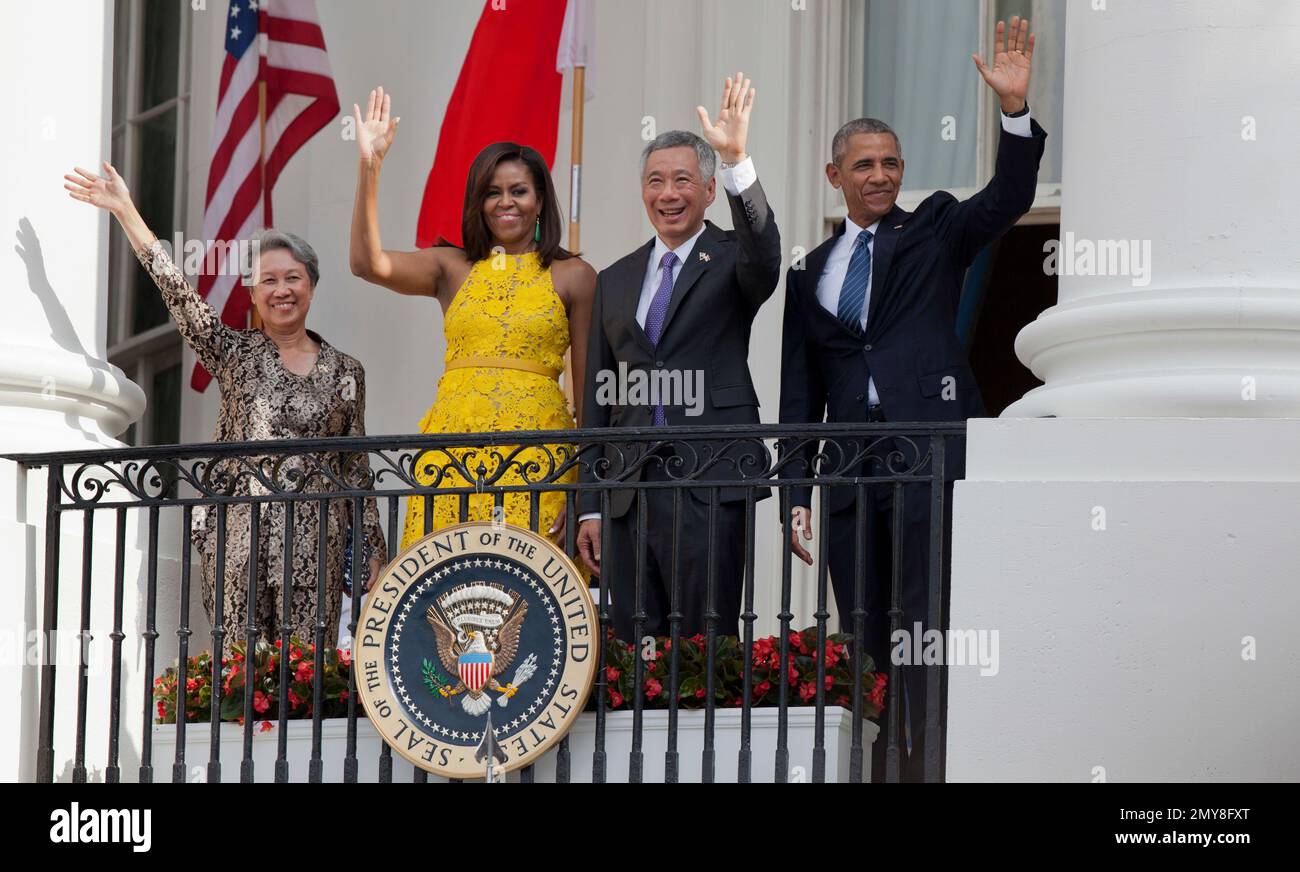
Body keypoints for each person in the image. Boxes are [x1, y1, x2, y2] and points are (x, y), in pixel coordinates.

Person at [778, 17, 1047, 780]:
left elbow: (1008, 197)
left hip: (927, 455)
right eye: (864, 165)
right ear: (836, 176)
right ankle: (882, 765)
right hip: (850, 475)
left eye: (892, 162)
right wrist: (795, 491)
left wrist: (1014, 113)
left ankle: (933, 766)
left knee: (930, 625)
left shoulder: (933, 231)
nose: (882, 176)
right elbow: (802, 396)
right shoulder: (810, 273)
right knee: (867, 633)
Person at [65, 162, 386, 654]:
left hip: (315, 540)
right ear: (253, 295)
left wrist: (371, 551)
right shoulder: (233, 353)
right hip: (241, 535)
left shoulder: (347, 371)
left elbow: (355, 468)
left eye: (294, 278)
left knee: (308, 670)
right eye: (269, 282)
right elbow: (178, 294)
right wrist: (126, 210)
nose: (283, 290)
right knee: (241, 668)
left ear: (312, 287)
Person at [576, 73, 782, 643]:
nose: (668, 193)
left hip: (709, 475)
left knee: (705, 641)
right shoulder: (614, 279)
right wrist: (589, 505)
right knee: (630, 644)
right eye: (655, 181)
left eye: (683, 180)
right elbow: (599, 398)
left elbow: (766, 255)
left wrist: (737, 158)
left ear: (710, 190)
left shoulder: (733, 256)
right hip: (629, 490)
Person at [349, 87, 597, 549]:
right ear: (478, 203)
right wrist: (371, 168)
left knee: (527, 601)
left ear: (540, 200)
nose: (506, 202)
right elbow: (368, 264)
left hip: (538, 460)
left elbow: (586, 400)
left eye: (519, 191)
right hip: (453, 454)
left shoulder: (575, 276)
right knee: (444, 592)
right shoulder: (452, 266)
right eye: (493, 192)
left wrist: (582, 489)